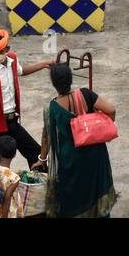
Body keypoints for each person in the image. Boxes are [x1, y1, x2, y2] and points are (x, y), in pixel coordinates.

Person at [37, 62, 117, 218]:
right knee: (94, 191)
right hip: (95, 155)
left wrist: (42, 159)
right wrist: (99, 124)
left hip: (71, 160)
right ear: (71, 79)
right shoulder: (86, 94)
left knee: (75, 196)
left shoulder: (51, 108)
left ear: (54, 83)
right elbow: (111, 110)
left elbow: (46, 137)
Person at [0, 28, 53, 166]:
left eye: (0, 52)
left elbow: (21, 71)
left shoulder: (13, 60)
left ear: (7, 49)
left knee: (35, 153)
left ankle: (38, 185)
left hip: (12, 121)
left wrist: (43, 64)